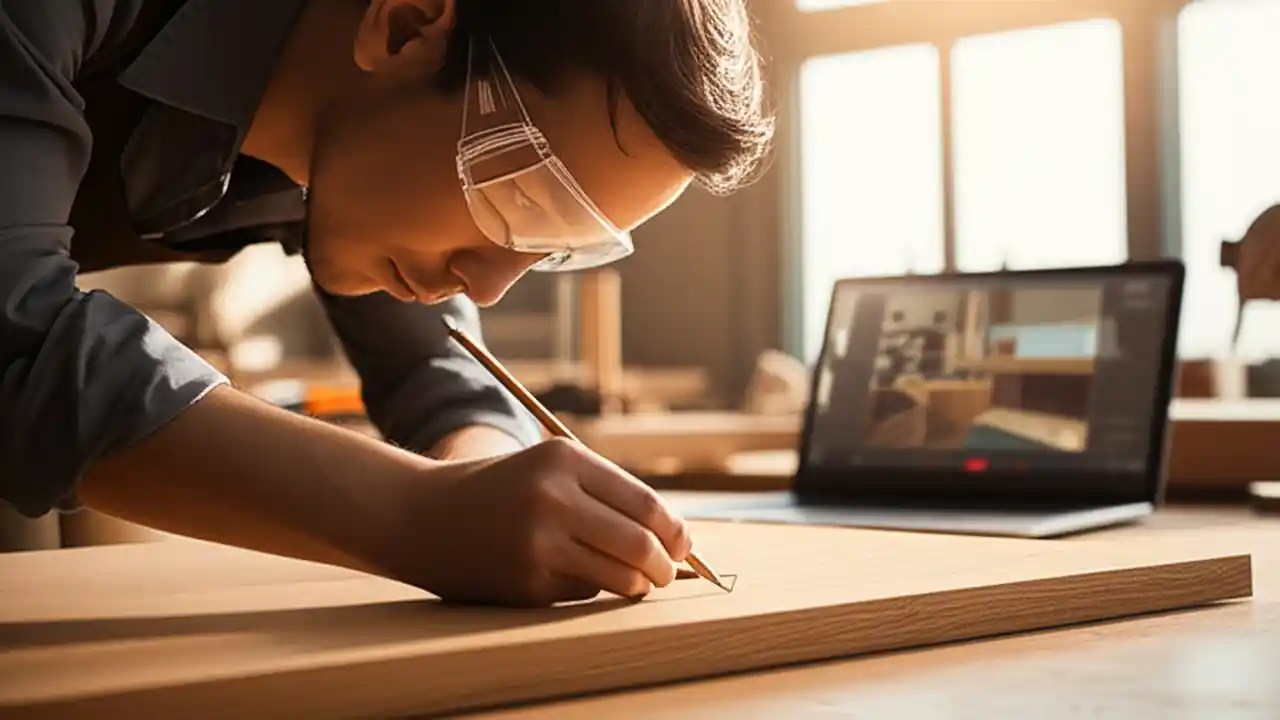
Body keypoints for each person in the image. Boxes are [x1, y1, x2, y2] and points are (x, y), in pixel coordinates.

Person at [0, 0, 772, 605]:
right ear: (405, 25)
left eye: (556, 244)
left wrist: (493, 484)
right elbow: (16, 334)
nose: (489, 285)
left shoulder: (342, 136)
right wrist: (417, 517)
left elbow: (436, 371)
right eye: (525, 201)